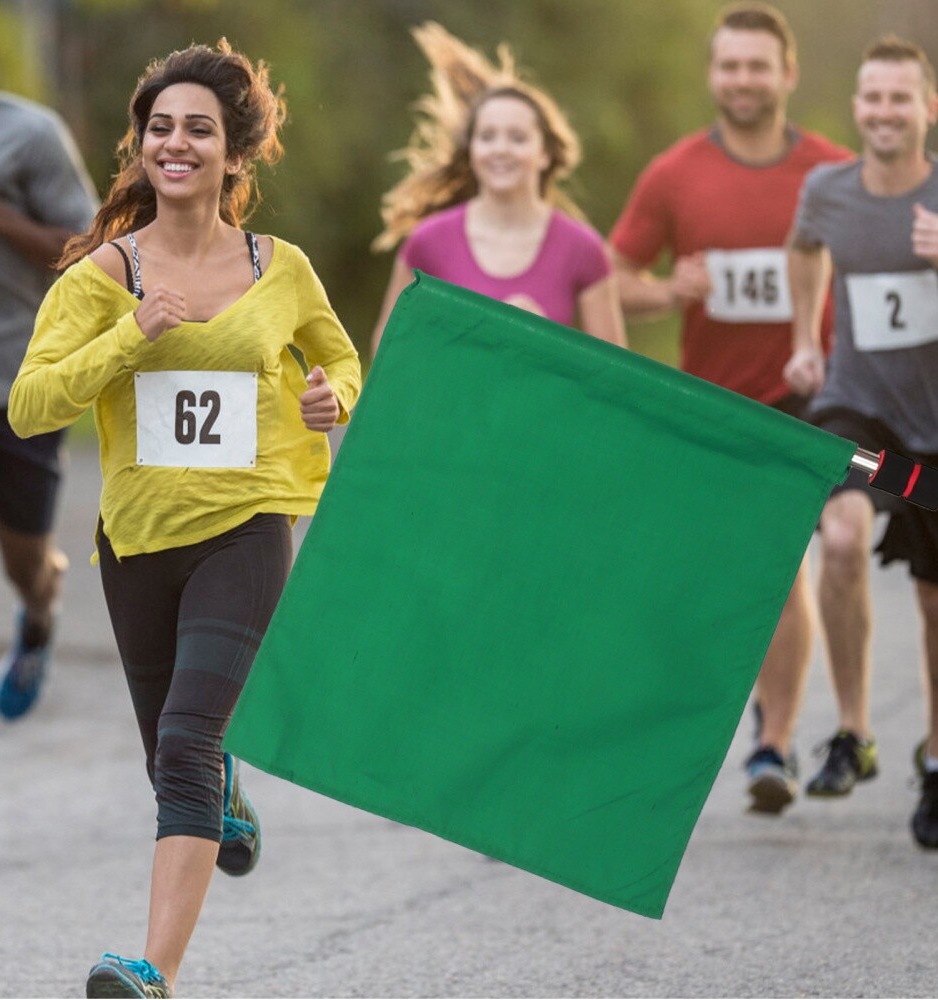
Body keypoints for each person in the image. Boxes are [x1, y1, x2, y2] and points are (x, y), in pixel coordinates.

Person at [8, 40, 362, 997]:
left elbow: (342, 362)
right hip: (135, 540)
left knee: (184, 743)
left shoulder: (280, 269)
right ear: (140, 148)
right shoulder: (100, 278)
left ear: (233, 155)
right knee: (175, 756)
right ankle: (227, 799)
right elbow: (30, 406)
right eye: (160, 128)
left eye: (198, 129)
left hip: (247, 527)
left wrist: (334, 400)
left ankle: (151, 971)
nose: (177, 143)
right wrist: (130, 336)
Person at [608, 1, 850, 815]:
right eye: (729, 65)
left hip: (809, 396)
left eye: (757, 65)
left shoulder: (830, 172)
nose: (742, 79)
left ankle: (774, 741)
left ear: (786, 74)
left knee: (783, 570)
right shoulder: (674, 174)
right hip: (715, 404)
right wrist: (665, 287)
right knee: (726, 584)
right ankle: (751, 720)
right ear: (713, 74)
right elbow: (611, 279)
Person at [786, 35, 938, 849]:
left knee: (932, 601)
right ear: (857, 108)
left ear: (928, 108)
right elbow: (804, 247)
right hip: (859, 407)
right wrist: (805, 335)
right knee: (839, 536)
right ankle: (853, 732)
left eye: (899, 98)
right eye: (871, 97)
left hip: (936, 433)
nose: (883, 111)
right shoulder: (828, 189)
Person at [0, 0, 97, 719]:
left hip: (21, 383)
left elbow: (90, 254)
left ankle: (39, 617)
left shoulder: (29, 135)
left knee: (24, 563)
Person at [371, 22, 626, 353]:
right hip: (454, 405)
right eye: (487, 136)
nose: (501, 149)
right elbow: (387, 354)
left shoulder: (584, 249)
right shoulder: (426, 243)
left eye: (517, 138)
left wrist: (544, 339)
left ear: (546, 153)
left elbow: (612, 380)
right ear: (472, 151)